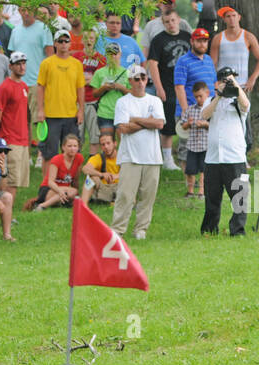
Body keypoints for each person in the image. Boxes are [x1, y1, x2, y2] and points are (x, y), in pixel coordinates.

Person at [110, 65, 164, 240]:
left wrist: (135, 119)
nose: (141, 82)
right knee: (125, 195)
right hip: (130, 156)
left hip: (152, 156)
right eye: (137, 79)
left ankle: (141, 229)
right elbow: (123, 128)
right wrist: (147, 122)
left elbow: (159, 124)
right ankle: (118, 229)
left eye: (143, 78)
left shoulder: (154, 101)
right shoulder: (123, 102)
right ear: (130, 81)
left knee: (147, 196)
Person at [200, 68, 251, 236]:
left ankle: (237, 230)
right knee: (212, 197)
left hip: (235, 157)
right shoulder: (212, 100)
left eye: (229, 79)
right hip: (213, 158)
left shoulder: (238, 99)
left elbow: (246, 105)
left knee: (239, 196)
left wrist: (234, 85)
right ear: (217, 83)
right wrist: (219, 95)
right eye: (223, 80)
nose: (226, 82)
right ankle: (209, 229)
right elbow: (204, 115)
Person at [145, 12, 191, 171]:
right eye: (167, 22)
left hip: (187, 85)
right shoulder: (159, 40)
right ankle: (167, 158)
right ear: (163, 23)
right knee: (168, 124)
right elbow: (152, 64)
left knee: (189, 120)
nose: (171, 24)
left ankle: (188, 156)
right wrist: (158, 87)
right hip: (168, 86)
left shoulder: (187, 36)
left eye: (173, 20)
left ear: (179, 20)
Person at [33, 29, 86, 164]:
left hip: (71, 115)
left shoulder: (77, 64)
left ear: (70, 44)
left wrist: (81, 111)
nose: (63, 44)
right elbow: (40, 87)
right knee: (49, 153)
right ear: (55, 44)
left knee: (71, 151)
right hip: (51, 115)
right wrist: (40, 110)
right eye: (60, 41)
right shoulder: (47, 63)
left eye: (66, 41)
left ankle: (68, 181)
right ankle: (47, 184)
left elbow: (80, 88)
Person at [0, 51, 32, 188]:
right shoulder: (5, 87)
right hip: (10, 140)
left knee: (19, 182)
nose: (22, 67)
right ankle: (5, 208)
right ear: (11, 66)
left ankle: (9, 208)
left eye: (24, 63)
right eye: (18, 64)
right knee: (11, 182)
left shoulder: (24, 86)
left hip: (23, 140)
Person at [209, 6, 259, 93]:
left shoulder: (248, 36)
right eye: (228, 16)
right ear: (224, 19)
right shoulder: (218, 38)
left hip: (242, 86)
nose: (231, 19)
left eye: (234, 15)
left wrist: (252, 78)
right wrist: (215, 83)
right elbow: (212, 63)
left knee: (243, 106)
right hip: (223, 86)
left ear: (239, 17)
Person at [31, 133, 83, 210]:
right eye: (69, 146)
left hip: (66, 190)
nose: (72, 149)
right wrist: (60, 191)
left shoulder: (79, 158)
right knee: (70, 192)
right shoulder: (56, 159)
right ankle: (42, 206)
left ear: (78, 148)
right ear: (63, 147)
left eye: (75, 146)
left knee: (74, 191)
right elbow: (50, 182)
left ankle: (59, 202)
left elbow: (75, 180)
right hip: (49, 189)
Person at [179, 81, 211, 198]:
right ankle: (190, 191)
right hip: (192, 145)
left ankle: (201, 192)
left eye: (200, 96)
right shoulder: (190, 109)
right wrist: (188, 123)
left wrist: (204, 124)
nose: (198, 99)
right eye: (196, 96)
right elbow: (182, 126)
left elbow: (214, 126)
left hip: (205, 145)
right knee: (190, 170)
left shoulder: (210, 109)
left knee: (203, 170)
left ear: (207, 93)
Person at [82, 133, 120, 205]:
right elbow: (85, 169)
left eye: (108, 143)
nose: (106, 147)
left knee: (129, 180)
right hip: (103, 188)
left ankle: (115, 202)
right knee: (90, 178)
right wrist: (101, 174)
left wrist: (117, 176)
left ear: (115, 143)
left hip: (119, 187)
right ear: (100, 147)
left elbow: (132, 173)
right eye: (103, 144)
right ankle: (83, 205)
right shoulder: (99, 157)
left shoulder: (123, 157)